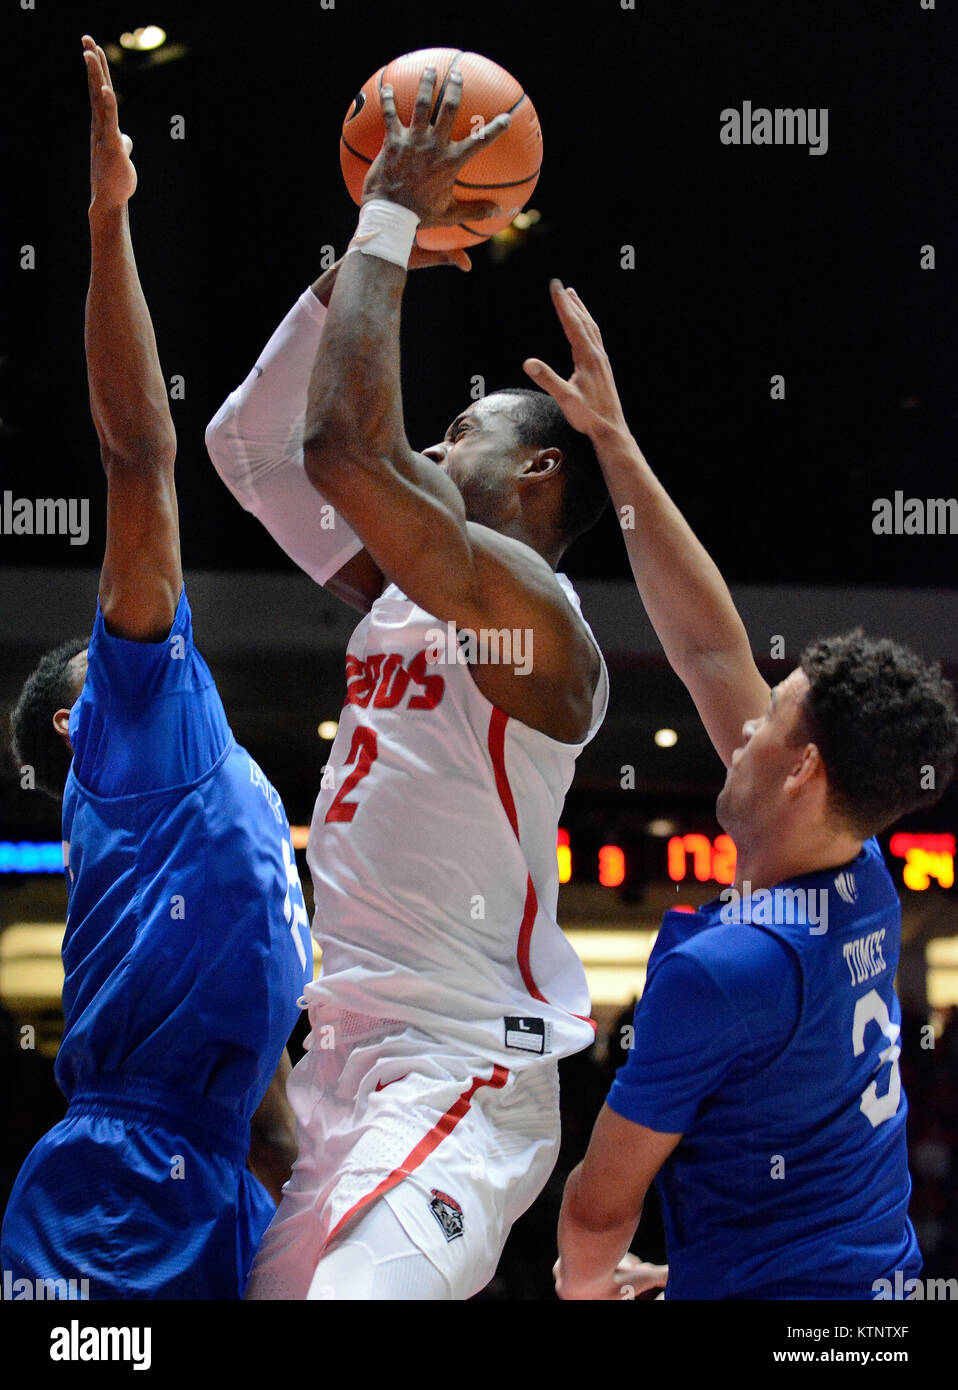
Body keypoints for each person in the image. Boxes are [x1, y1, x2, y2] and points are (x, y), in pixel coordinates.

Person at [206, 68, 609, 1300]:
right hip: (338, 1066)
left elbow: (343, 447)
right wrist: (352, 278)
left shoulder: (532, 618)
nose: (434, 447)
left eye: (459, 436)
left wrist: (388, 216)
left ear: (537, 469)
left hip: (462, 1067)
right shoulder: (399, 585)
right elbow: (248, 446)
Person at [525, 280, 958, 1300]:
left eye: (773, 717)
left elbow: (597, 1202)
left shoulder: (726, 971)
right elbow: (708, 644)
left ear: (803, 767)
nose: (749, 719)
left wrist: (581, 1287)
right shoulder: (859, 874)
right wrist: (615, 442)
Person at [0, 37, 309, 1299]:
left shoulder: (214, 793)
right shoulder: (133, 734)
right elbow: (139, 454)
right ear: (83, 720)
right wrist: (110, 221)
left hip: (218, 1184)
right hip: (106, 1196)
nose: (152, 640)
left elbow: (277, 1115)